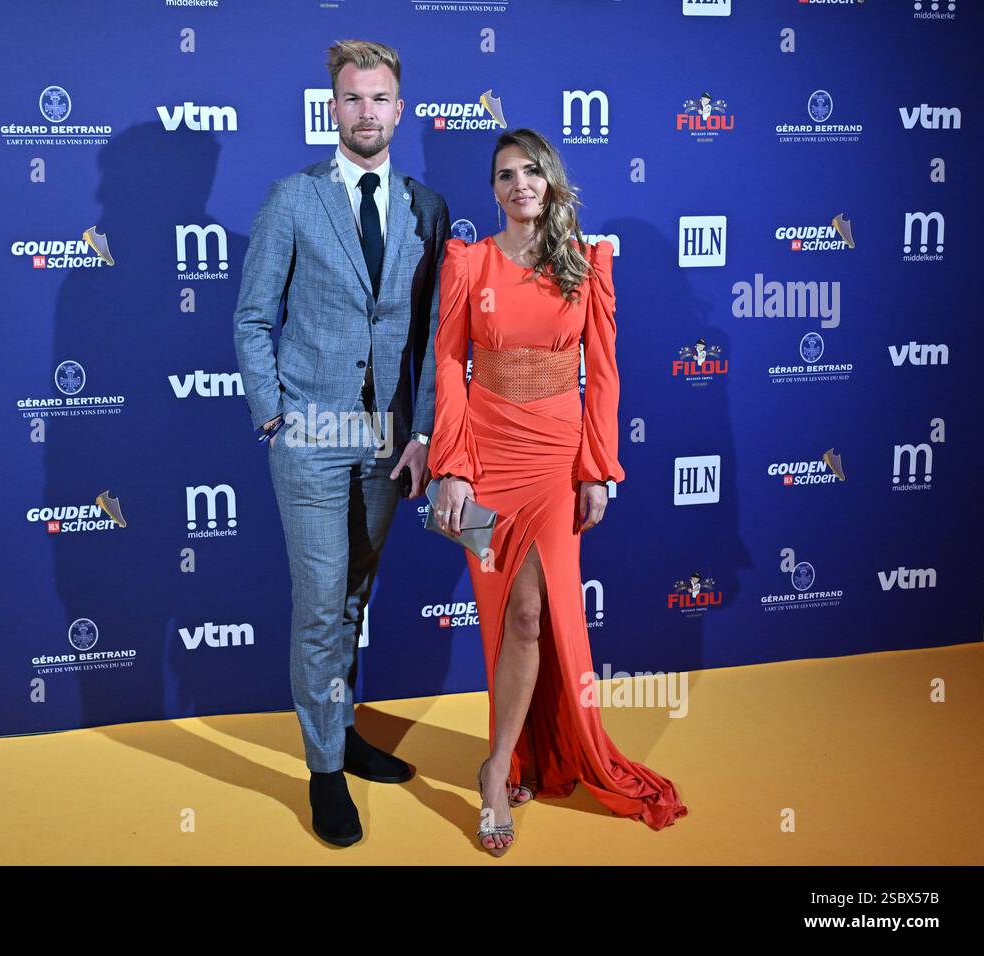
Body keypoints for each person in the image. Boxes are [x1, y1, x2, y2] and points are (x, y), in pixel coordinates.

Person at [428, 128, 687, 856]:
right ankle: (504, 761)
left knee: (534, 615)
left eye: (531, 172)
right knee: (502, 617)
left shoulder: (584, 263)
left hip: (554, 452)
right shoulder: (469, 260)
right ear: (494, 189)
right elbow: (450, 366)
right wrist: (451, 462)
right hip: (486, 450)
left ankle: (494, 768)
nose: (520, 185)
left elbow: (602, 373)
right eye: (506, 175)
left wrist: (597, 467)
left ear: (550, 181)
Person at [232, 39, 450, 847]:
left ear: (400, 109)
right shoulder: (292, 199)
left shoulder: (428, 208)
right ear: (334, 109)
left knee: (355, 599)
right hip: (313, 436)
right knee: (322, 605)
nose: (367, 112)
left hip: (390, 440)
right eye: (353, 98)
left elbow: (433, 333)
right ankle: (325, 774)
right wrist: (273, 419)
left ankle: (344, 729)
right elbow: (255, 318)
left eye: (380, 98)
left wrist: (423, 429)